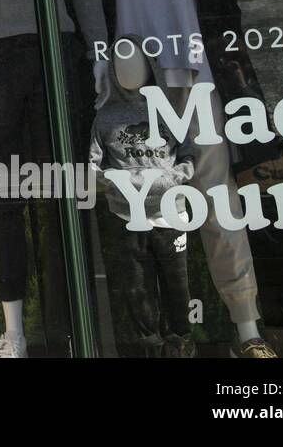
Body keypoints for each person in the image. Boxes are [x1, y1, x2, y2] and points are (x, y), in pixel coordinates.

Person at [90, 35, 196, 358]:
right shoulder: (104, 118)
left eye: (135, 62)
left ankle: (181, 341)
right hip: (128, 217)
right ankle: (149, 345)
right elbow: (94, 165)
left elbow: (189, 155)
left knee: (177, 285)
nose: (129, 70)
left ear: (150, 67)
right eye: (120, 64)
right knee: (137, 289)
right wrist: (119, 184)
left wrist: (172, 179)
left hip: (170, 212)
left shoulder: (168, 111)